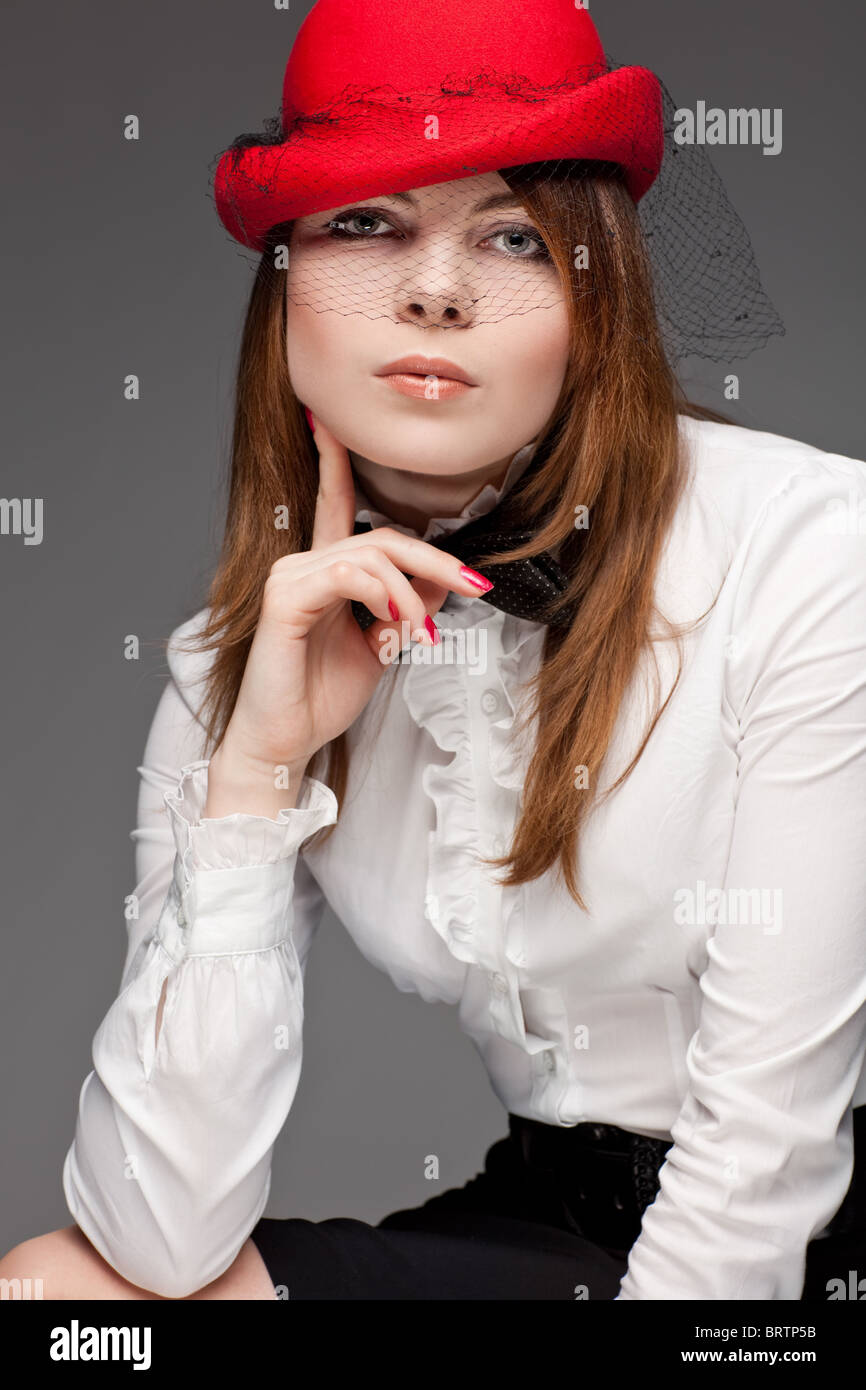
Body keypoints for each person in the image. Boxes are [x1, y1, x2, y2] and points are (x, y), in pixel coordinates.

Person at [3, 0, 865, 1301]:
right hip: (567, 1219)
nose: (433, 287)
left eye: (511, 235)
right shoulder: (245, 663)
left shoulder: (808, 552)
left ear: (593, 293)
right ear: (284, 283)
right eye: (364, 222)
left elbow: (766, 1154)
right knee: (66, 1306)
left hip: (806, 1238)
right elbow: (156, 1234)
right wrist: (256, 772)